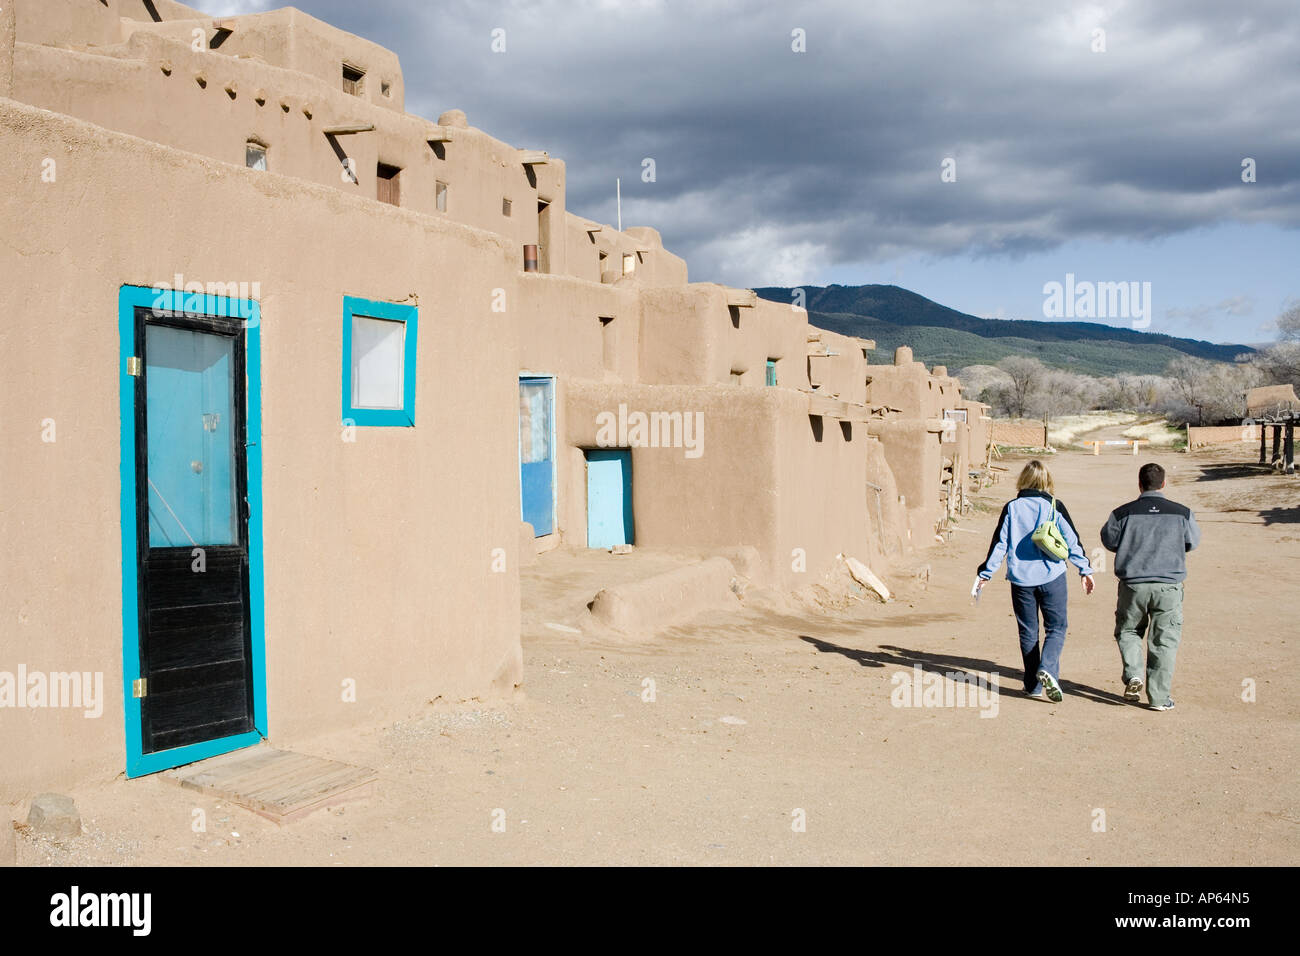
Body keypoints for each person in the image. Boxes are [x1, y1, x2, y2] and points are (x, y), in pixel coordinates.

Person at [973, 460, 1095, 702]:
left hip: (1021, 580)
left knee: (1028, 632)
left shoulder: (1012, 507)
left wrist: (985, 573)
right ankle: (1048, 669)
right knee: (1056, 628)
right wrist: (1085, 569)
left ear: (1023, 479)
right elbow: (1072, 541)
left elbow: (1000, 544)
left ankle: (1033, 686)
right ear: (1046, 480)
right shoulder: (1054, 505)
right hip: (1053, 577)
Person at [1099, 462, 1200, 711]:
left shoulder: (1121, 513)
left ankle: (1134, 674)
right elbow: (1192, 542)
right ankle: (1158, 697)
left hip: (1133, 585)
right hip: (1168, 586)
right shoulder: (1182, 512)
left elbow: (1109, 540)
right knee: (1164, 640)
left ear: (1139, 484)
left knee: (1129, 631)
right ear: (1163, 484)